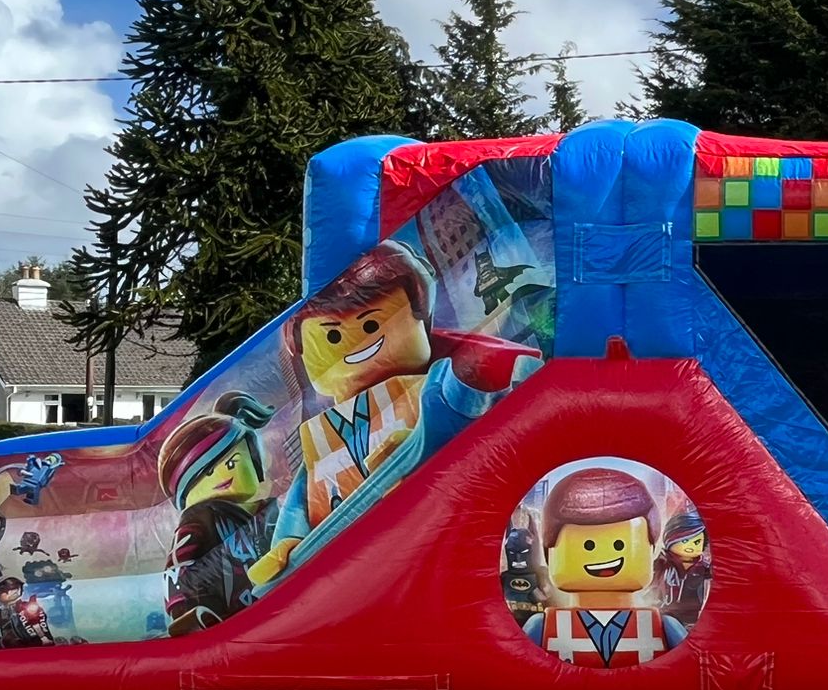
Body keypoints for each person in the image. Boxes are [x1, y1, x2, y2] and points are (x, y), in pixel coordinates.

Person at [251, 239, 538, 584]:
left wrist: (414, 454)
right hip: (338, 569)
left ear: (421, 318)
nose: (356, 345)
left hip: (421, 549)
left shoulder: (431, 390)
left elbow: (462, 423)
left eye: (372, 325)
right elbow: (301, 498)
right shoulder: (322, 432)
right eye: (331, 336)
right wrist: (287, 544)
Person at [522, 467, 686, 666]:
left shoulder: (663, 627)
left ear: (649, 549)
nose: (606, 557)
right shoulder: (542, 628)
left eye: (620, 545)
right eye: (588, 546)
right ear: (551, 552)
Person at [156, 390, 278, 633]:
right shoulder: (201, 519)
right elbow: (179, 569)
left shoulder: (272, 510)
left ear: (255, 461)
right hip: (229, 614)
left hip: (273, 603)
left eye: (232, 463)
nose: (223, 475)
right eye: (206, 472)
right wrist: (186, 612)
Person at [655, 506, 712, 628]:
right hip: (660, 619)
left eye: (696, 542)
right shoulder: (661, 564)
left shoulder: (705, 570)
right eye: (684, 541)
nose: (690, 546)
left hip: (693, 623)